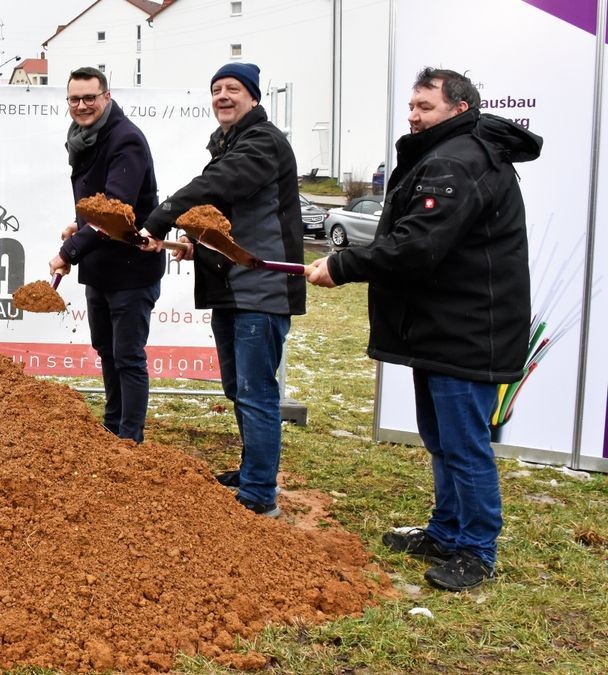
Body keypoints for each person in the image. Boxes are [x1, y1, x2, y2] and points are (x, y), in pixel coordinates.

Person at [306, 68, 542, 591]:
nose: (413, 115)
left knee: (464, 444)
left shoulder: (458, 162)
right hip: (441, 326)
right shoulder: (447, 153)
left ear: (459, 110)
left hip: (466, 330)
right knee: (441, 439)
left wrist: (342, 265)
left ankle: (477, 551)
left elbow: (418, 245)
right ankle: (445, 530)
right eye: (411, 105)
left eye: (425, 107)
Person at [140, 62, 305, 517]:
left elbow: (219, 185)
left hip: (262, 288)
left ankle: (258, 496)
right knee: (239, 388)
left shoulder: (262, 143)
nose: (223, 96)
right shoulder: (229, 143)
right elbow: (228, 212)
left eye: (233, 88)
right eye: (216, 89)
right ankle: (253, 471)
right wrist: (197, 244)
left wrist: (163, 215)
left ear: (253, 97)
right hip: (233, 286)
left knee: (256, 392)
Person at [47, 67, 162, 443]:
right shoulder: (83, 137)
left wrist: (70, 250)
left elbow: (114, 209)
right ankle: (112, 428)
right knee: (106, 351)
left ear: (106, 97)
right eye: (74, 99)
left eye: (89, 98)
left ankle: (130, 439)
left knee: (127, 355)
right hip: (100, 267)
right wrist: (76, 225)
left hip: (131, 268)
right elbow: (95, 203)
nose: (81, 105)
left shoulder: (125, 139)